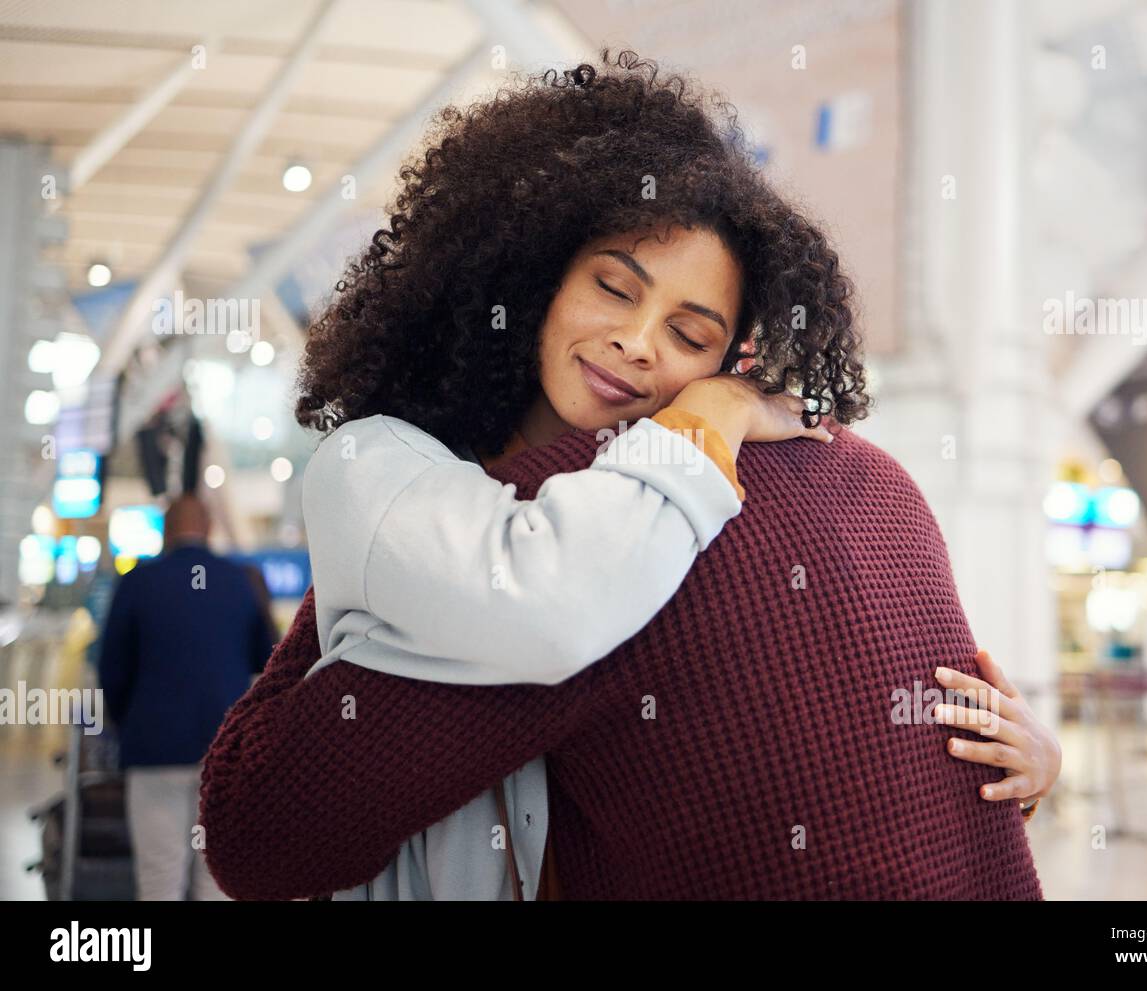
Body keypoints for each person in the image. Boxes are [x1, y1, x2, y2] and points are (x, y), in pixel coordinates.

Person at [199, 50, 1059, 900]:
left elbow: (259, 831)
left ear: (734, 356)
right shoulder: (868, 477)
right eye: (614, 287)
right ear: (539, 271)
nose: (639, 342)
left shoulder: (619, 532)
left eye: (689, 337)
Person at [98, 493, 277, 900]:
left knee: (159, 877)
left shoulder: (138, 581)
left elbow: (112, 669)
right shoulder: (240, 580)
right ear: (210, 528)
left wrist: (130, 725)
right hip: (224, 752)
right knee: (214, 880)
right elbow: (266, 661)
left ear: (164, 531)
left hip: (153, 750)